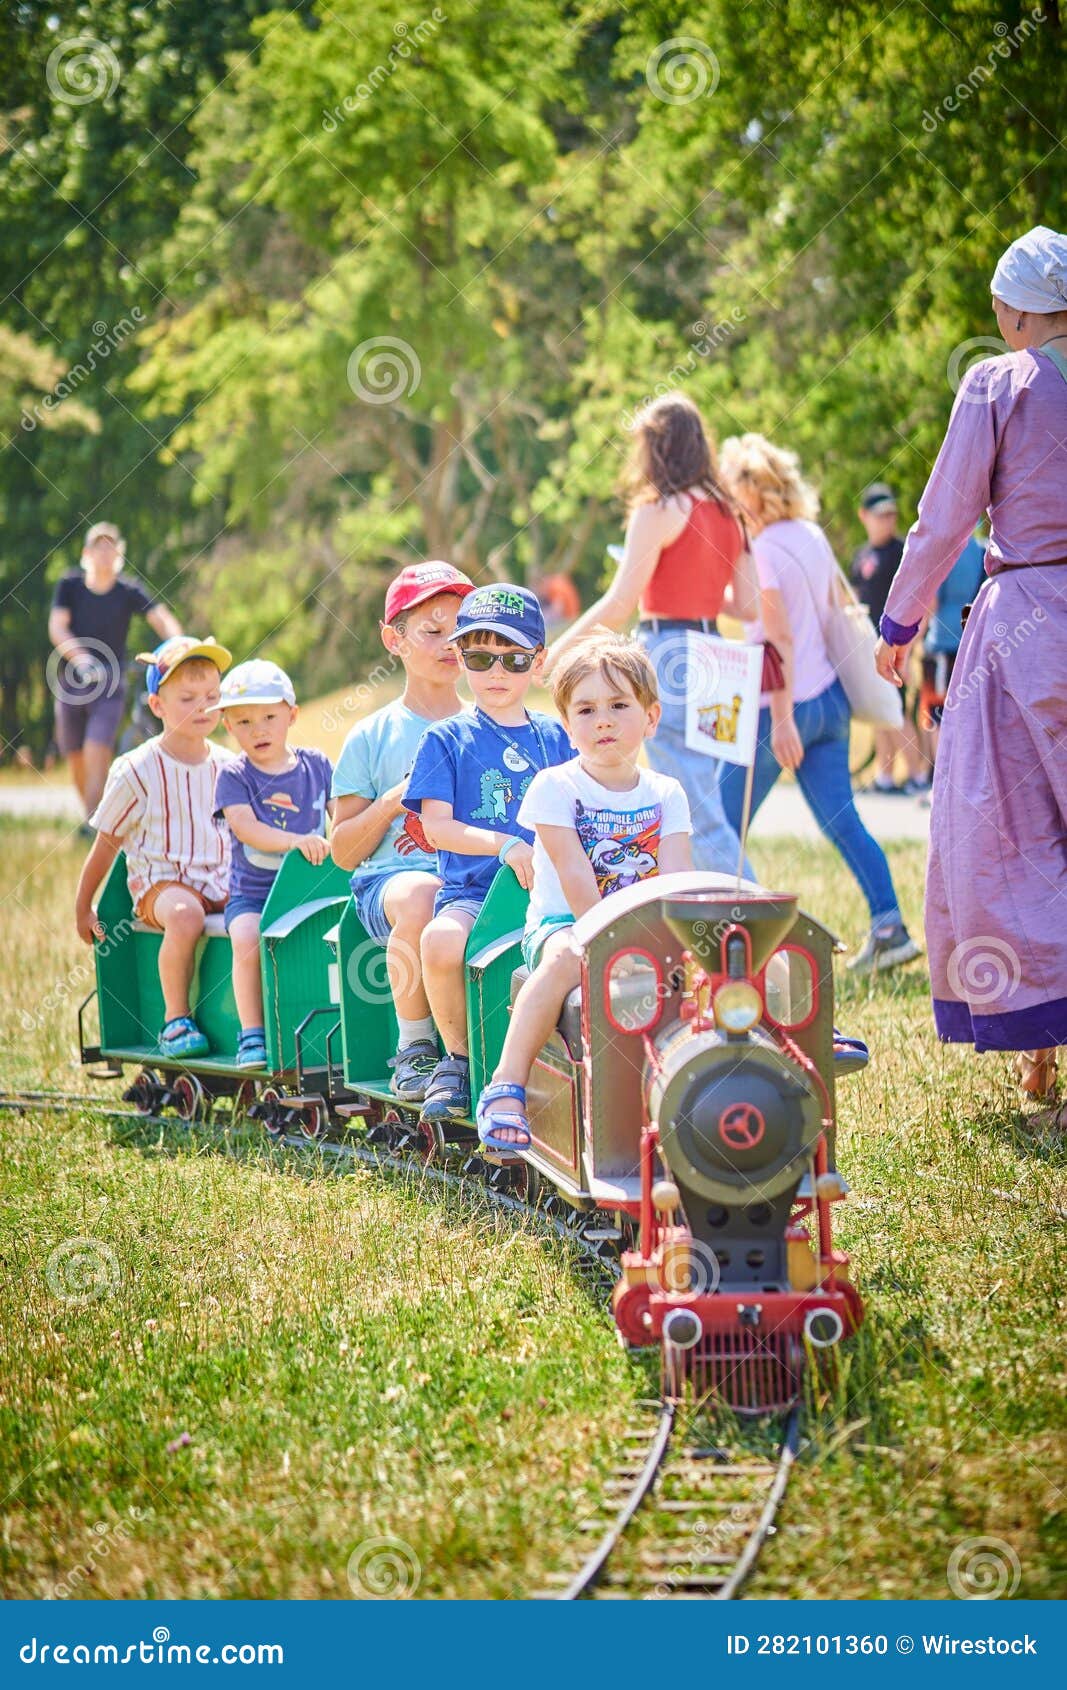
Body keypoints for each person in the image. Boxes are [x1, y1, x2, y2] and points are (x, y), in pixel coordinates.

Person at [875, 224, 1067, 1121]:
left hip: (1024, 627)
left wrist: (899, 621)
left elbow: (944, 515)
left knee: (1009, 836)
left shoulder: (996, 383)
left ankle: (1037, 1053)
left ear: (1015, 310)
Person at [476, 632, 692, 1150]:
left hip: (645, 926)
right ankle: (506, 1083)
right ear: (567, 725)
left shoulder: (666, 792)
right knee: (567, 960)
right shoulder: (557, 787)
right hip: (566, 924)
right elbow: (575, 878)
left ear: (651, 717)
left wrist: (673, 945)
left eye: (620, 705)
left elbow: (676, 881)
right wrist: (613, 945)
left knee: (715, 952)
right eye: (587, 709)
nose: (604, 721)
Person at [717, 434, 922, 975]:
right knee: (844, 823)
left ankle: (738, 955)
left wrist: (782, 716)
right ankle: (890, 926)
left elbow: (777, 636)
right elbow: (832, 608)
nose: (727, 503)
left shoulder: (760, 550)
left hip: (782, 707)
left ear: (757, 493)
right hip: (830, 700)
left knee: (717, 826)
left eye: (734, 491)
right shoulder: (808, 535)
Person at [542, 394, 761, 871]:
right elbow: (747, 605)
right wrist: (697, 585)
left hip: (670, 650)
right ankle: (715, 917)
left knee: (696, 813)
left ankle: (750, 919)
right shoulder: (731, 512)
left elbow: (621, 601)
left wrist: (558, 650)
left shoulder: (661, 507)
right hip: (718, 655)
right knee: (703, 800)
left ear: (658, 447)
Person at [403, 584, 572, 1123]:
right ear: (460, 659)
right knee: (439, 941)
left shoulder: (559, 737)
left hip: (548, 896)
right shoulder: (446, 739)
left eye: (514, 659)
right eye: (479, 657)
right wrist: (504, 844)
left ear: (538, 663)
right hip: (474, 895)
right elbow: (437, 827)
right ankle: (455, 1058)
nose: (496, 672)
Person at [329, 562, 475, 1102]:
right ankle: (414, 1049)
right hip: (391, 883)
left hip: (473, 876)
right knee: (422, 896)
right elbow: (343, 851)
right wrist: (393, 802)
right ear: (395, 640)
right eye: (432, 631)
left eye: (460, 631)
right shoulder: (372, 735)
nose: (449, 644)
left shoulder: (485, 724)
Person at [74, 636, 235, 1059]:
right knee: (185, 916)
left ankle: (245, 1025)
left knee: (255, 913)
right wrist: (83, 905)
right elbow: (107, 843)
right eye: (188, 698)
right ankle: (175, 1019)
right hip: (162, 886)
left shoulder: (225, 764)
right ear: (157, 705)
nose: (204, 707)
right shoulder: (137, 769)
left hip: (219, 881)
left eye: (212, 697)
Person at [216, 660, 335, 1069]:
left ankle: (335, 1025)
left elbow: (343, 816)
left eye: (269, 716)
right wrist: (297, 841)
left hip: (310, 892)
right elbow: (247, 829)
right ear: (228, 726)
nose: (259, 729)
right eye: (244, 721)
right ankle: (252, 1033)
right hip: (255, 895)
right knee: (247, 936)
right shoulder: (234, 775)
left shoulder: (317, 765)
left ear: (292, 715)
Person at [48, 522, 181, 825]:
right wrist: (82, 660)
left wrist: (178, 645)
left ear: (119, 552)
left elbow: (160, 618)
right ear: (87, 553)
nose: (105, 551)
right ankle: (92, 817)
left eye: (111, 545)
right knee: (76, 755)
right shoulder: (70, 585)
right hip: (72, 682)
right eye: (99, 545)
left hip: (109, 684)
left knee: (98, 747)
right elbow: (57, 627)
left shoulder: (128, 590)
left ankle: (94, 824)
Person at [850, 486, 928, 795]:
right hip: (867, 643)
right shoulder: (861, 556)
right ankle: (885, 776)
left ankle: (916, 775)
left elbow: (922, 598)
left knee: (896, 712)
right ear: (864, 516)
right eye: (881, 515)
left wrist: (912, 644)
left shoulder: (901, 552)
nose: (888, 520)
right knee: (878, 711)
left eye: (892, 515)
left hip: (895, 645)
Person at [918, 529, 987, 765]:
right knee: (966, 715)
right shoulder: (981, 551)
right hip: (971, 641)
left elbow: (931, 602)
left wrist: (913, 641)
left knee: (937, 715)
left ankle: (942, 779)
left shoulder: (944, 551)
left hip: (941, 643)